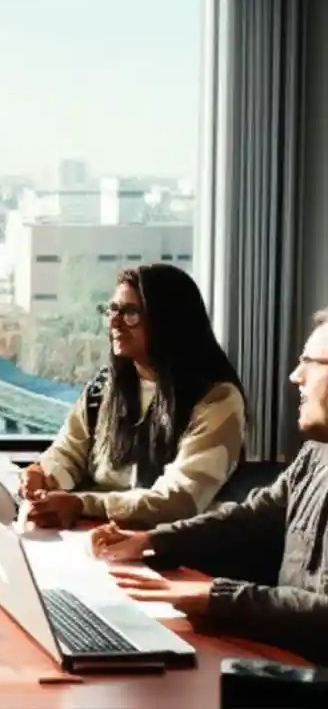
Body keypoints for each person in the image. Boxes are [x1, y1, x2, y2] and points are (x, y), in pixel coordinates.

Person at [90, 309, 328, 664]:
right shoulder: (316, 456)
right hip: (285, 663)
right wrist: (152, 541)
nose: (296, 376)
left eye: (310, 362)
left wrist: (216, 597)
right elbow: (250, 519)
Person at [20, 264, 246, 529]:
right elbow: (69, 452)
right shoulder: (104, 388)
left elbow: (179, 499)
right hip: (94, 534)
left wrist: (84, 505)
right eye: (113, 310)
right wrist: (42, 476)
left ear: (168, 320)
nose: (115, 322)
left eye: (130, 313)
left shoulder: (215, 398)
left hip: (170, 547)